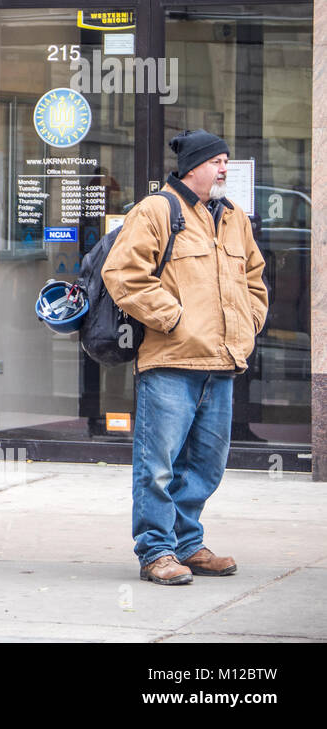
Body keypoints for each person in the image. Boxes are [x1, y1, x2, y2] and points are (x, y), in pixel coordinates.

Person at [102, 130, 267, 586]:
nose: (224, 168)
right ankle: (156, 551)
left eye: (226, 160)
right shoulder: (158, 210)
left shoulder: (233, 217)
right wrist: (175, 319)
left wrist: (249, 322)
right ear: (191, 166)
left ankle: (188, 544)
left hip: (223, 361)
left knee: (205, 466)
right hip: (171, 361)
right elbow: (123, 274)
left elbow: (254, 276)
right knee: (158, 465)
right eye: (216, 161)